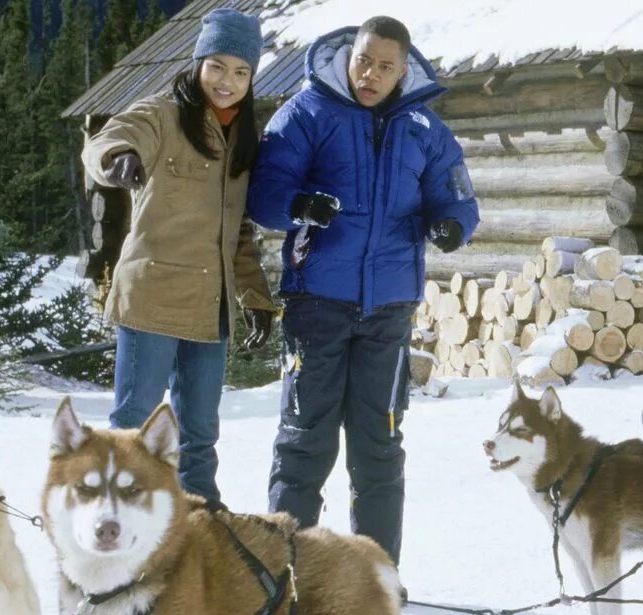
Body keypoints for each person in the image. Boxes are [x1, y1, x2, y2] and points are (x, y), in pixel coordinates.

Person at [248, 16, 480, 564]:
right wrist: (300, 206)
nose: (370, 74)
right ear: (347, 55)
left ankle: (376, 575)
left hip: (389, 309)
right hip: (317, 304)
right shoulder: (306, 113)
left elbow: (458, 196)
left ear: (404, 70)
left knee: (378, 448)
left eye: (384, 66)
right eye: (363, 60)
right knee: (305, 441)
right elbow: (265, 193)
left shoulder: (425, 128)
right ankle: (287, 571)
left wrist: (450, 225)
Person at [83, 8, 276, 508]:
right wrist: (116, 158)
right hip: (153, 298)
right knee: (132, 427)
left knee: (200, 436)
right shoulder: (162, 114)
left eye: (241, 71)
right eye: (217, 67)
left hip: (209, 310)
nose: (227, 81)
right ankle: (117, 521)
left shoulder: (242, 137)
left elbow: (237, 233)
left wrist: (256, 298)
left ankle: (201, 522)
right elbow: (106, 139)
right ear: (198, 64)